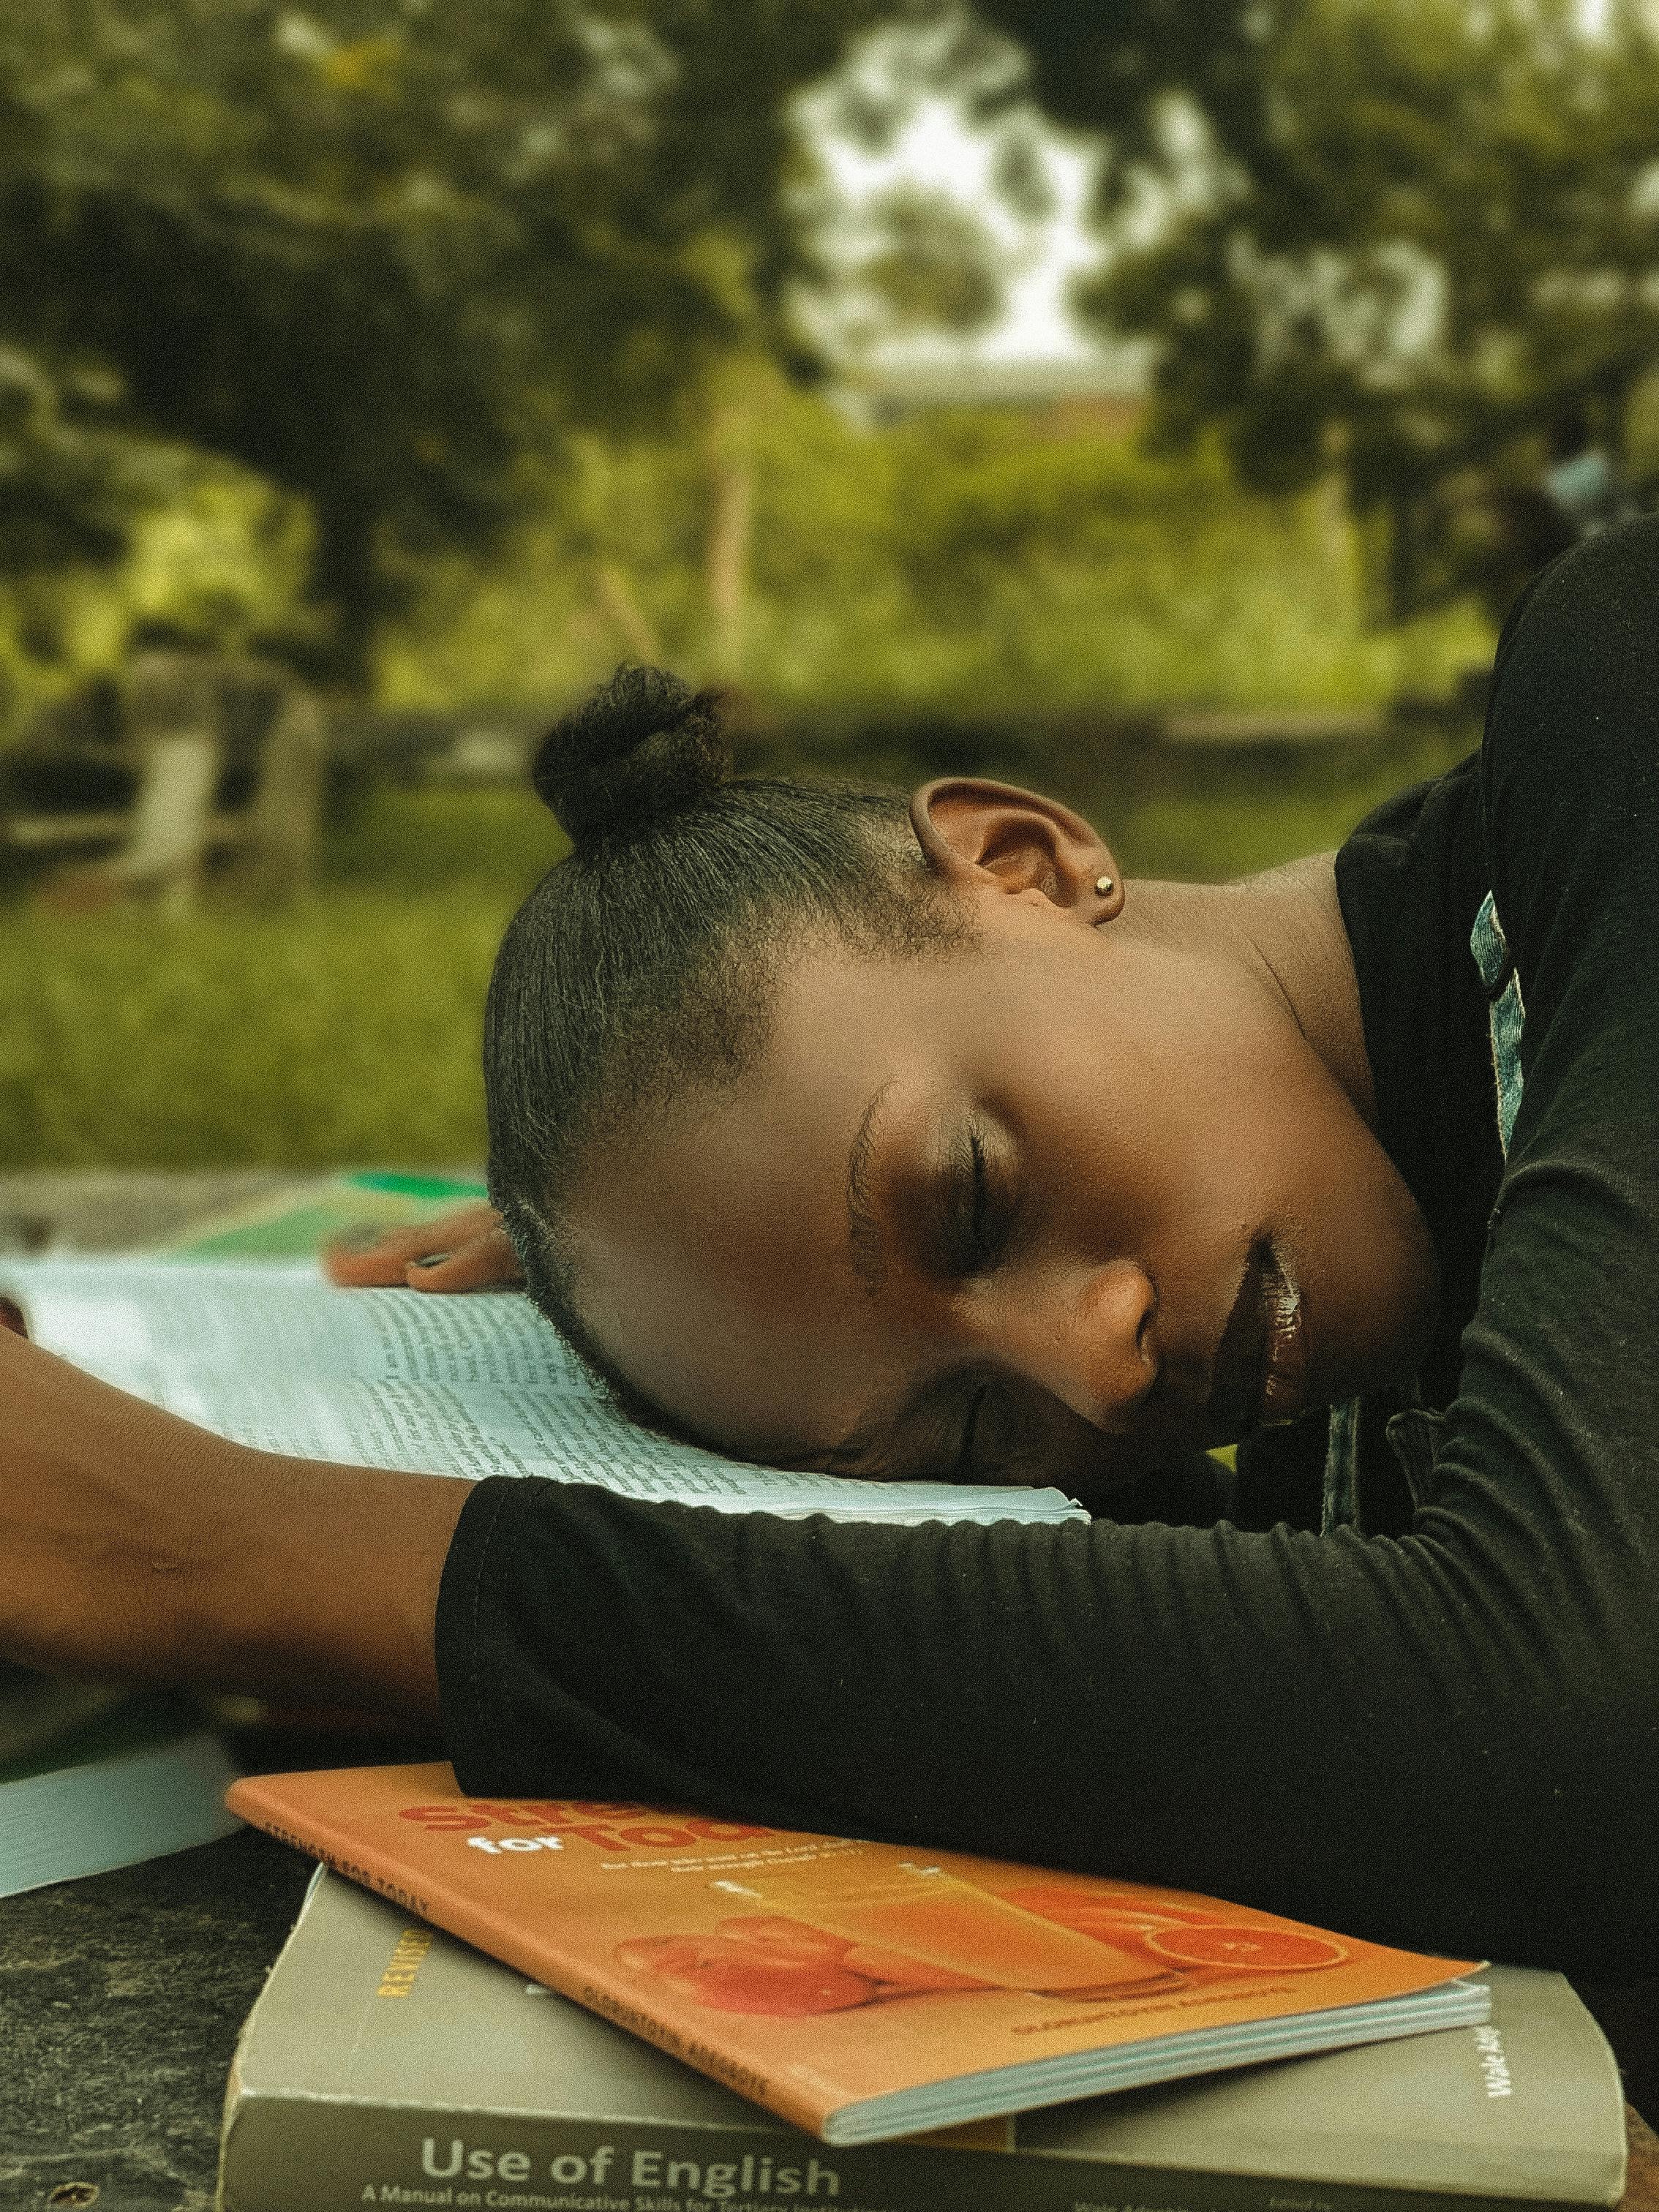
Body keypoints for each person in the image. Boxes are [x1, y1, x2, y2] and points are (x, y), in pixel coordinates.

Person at [5, 521, 1659, 1982]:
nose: (1096, 1366)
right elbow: (1298, 1690)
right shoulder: (1376, 1297)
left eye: (970, 1194)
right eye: (967, 1438)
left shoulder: (1621, 687)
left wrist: (226, 1554)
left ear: (1024, 859)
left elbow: (1563, 1737)